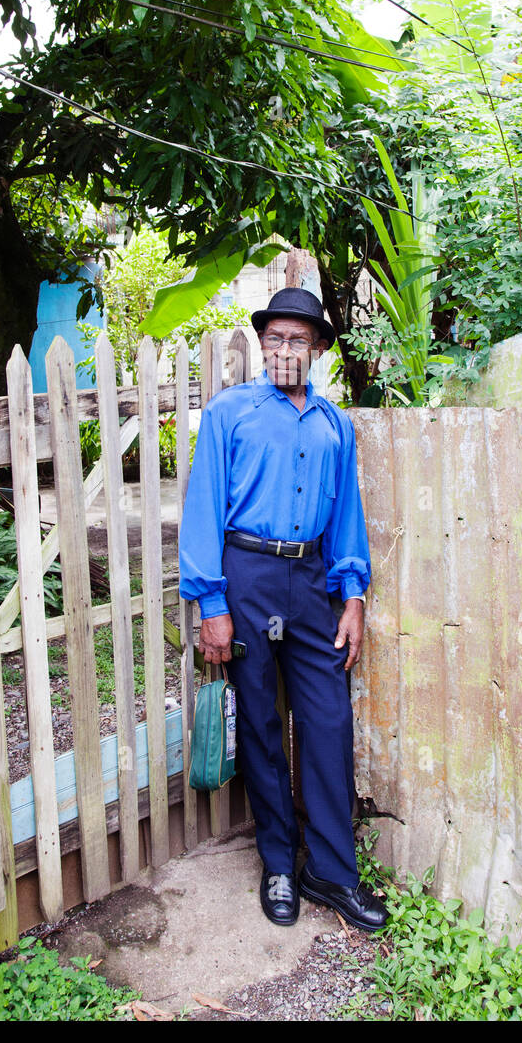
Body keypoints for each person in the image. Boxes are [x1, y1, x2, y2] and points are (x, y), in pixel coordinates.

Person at [178, 287, 388, 932]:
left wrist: (351, 596)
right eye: (275, 339)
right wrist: (211, 602)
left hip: (313, 580)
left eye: (298, 339)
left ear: (318, 347)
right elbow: (204, 509)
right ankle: (277, 863)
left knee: (326, 722)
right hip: (247, 577)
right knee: (263, 727)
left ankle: (330, 871)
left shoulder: (333, 426)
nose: (285, 350)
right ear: (261, 346)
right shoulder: (228, 414)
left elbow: (347, 516)